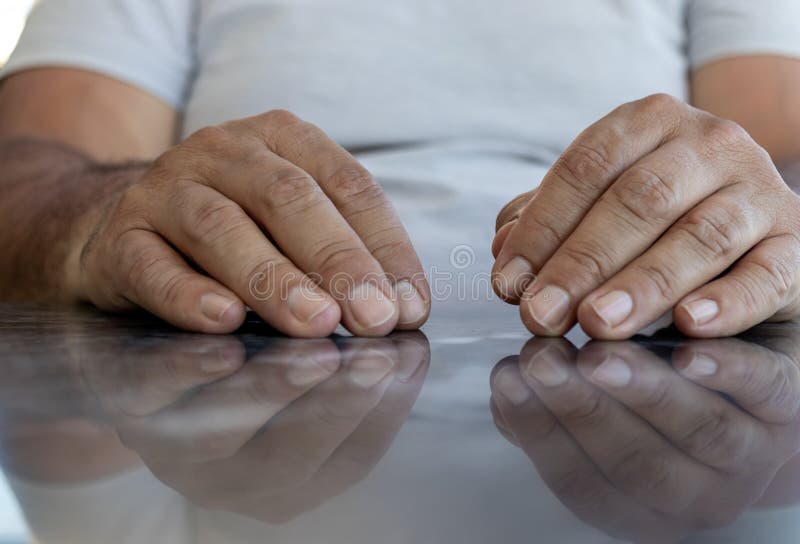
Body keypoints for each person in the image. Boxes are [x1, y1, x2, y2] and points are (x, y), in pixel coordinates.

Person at [0, 0, 798, 339]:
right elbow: (26, 171)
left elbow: (774, 168)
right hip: (239, 344)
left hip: (648, 346)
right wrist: (104, 221)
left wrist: (759, 220)